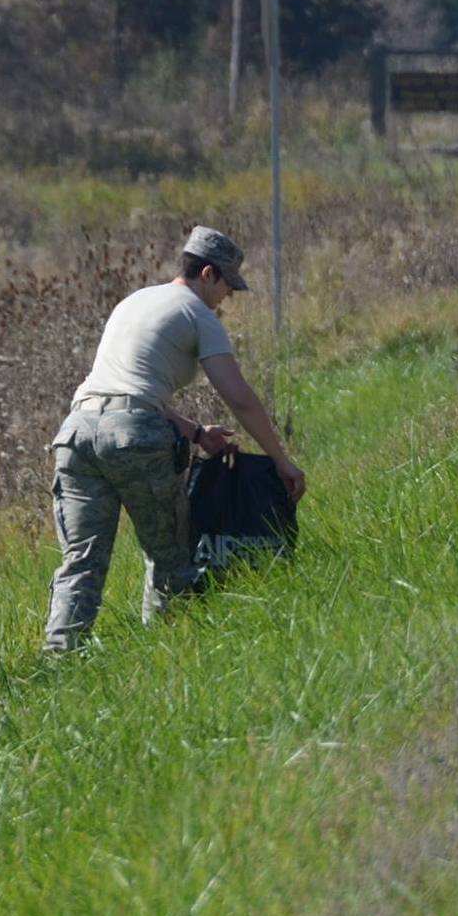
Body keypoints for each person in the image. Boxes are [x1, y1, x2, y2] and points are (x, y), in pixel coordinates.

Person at [44, 226, 304, 652]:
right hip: (134, 437)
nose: (227, 298)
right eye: (227, 287)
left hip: (75, 433)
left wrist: (197, 433)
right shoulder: (198, 314)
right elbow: (239, 398)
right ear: (207, 273)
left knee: (81, 563)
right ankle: (165, 653)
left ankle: (59, 659)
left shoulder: (135, 301)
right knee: (171, 556)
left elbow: (125, 386)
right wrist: (281, 460)